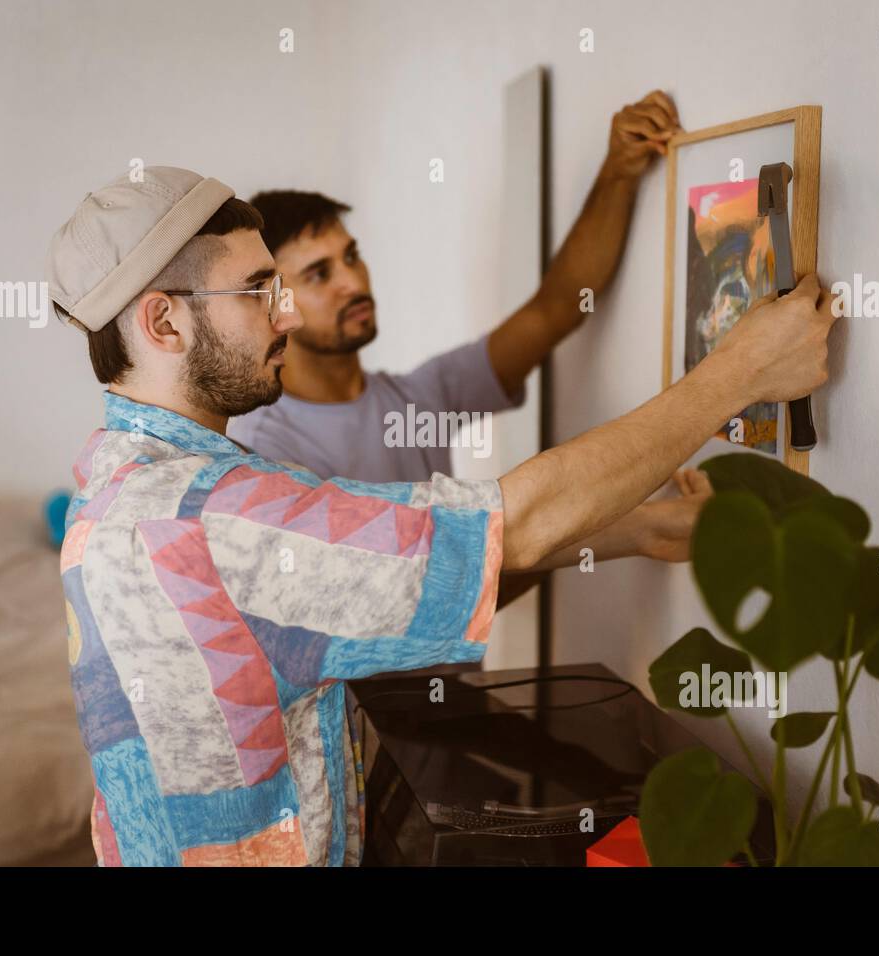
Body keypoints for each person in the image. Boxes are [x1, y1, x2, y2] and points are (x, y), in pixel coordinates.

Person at [44, 165, 835, 866]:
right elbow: (507, 529)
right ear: (163, 323)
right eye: (260, 290)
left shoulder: (116, 482)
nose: (285, 315)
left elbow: (423, 554)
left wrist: (635, 529)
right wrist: (738, 373)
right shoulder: (217, 516)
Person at [232, 91, 708, 591]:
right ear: (274, 303)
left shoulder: (420, 397)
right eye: (319, 273)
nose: (352, 282)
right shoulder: (270, 449)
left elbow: (559, 306)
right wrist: (642, 530)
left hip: (459, 675)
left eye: (352, 256)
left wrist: (619, 170)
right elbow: (403, 597)